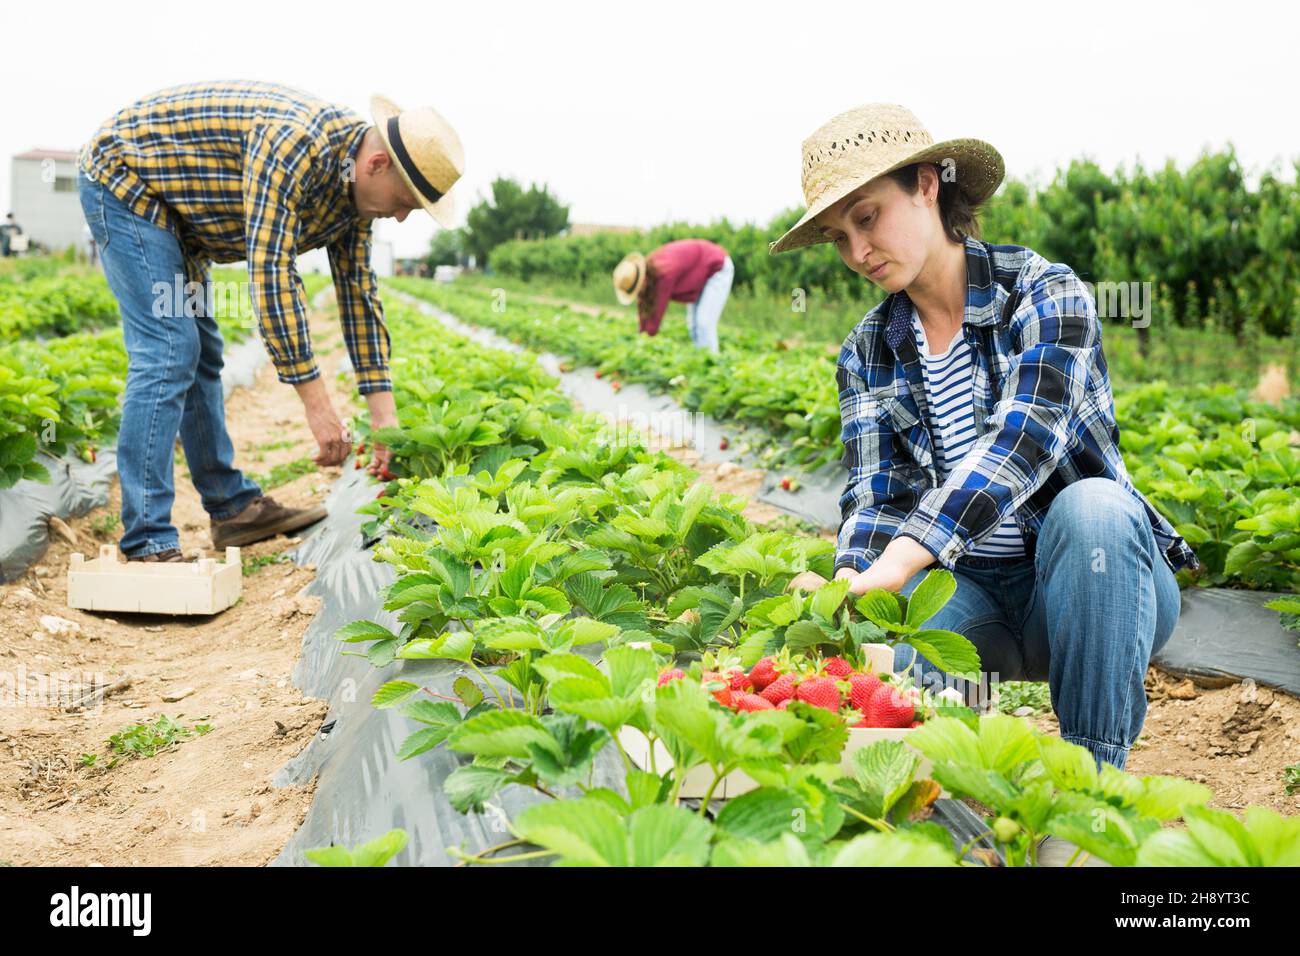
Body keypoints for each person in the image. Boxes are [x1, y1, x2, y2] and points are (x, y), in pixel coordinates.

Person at [769, 103, 1200, 773]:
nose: (856, 253)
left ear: (926, 184)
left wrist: (910, 552)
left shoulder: (1045, 295)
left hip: (1094, 588)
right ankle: (927, 790)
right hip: (972, 600)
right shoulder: (867, 353)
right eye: (836, 236)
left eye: (866, 217)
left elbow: (1024, 441)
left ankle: (1089, 787)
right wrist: (850, 580)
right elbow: (875, 495)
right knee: (901, 670)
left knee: (1096, 508)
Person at [78, 81, 464, 562]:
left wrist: (384, 417)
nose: (403, 219)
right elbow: (271, 272)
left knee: (202, 351)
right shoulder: (294, 145)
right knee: (170, 347)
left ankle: (232, 509)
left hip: (185, 221)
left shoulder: (356, 202)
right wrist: (318, 406)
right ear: (376, 164)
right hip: (127, 183)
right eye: (406, 202)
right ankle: (147, 540)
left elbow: (358, 296)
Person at [612, 238, 733, 351]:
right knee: (693, 327)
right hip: (700, 273)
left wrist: (643, 345)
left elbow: (655, 317)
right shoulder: (650, 272)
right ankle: (703, 359)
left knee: (704, 324)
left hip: (717, 267)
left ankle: (712, 363)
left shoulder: (663, 274)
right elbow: (643, 307)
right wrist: (640, 336)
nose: (639, 293)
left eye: (638, 289)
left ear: (643, 280)